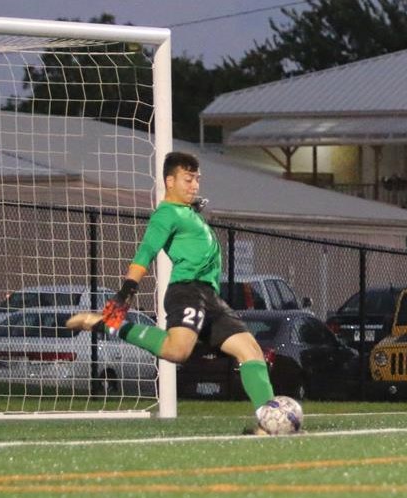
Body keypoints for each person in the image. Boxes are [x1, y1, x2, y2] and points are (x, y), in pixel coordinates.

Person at [67, 151, 280, 430]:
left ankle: (270, 423)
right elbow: (146, 252)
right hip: (187, 291)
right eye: (188, 179)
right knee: (177, 352)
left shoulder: (188, 212)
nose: (194, 185)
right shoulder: (165, 214)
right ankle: (108, 323)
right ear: (170, 181)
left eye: (197, 179)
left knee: (251, 351)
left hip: (211, 296)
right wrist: (126, 291)